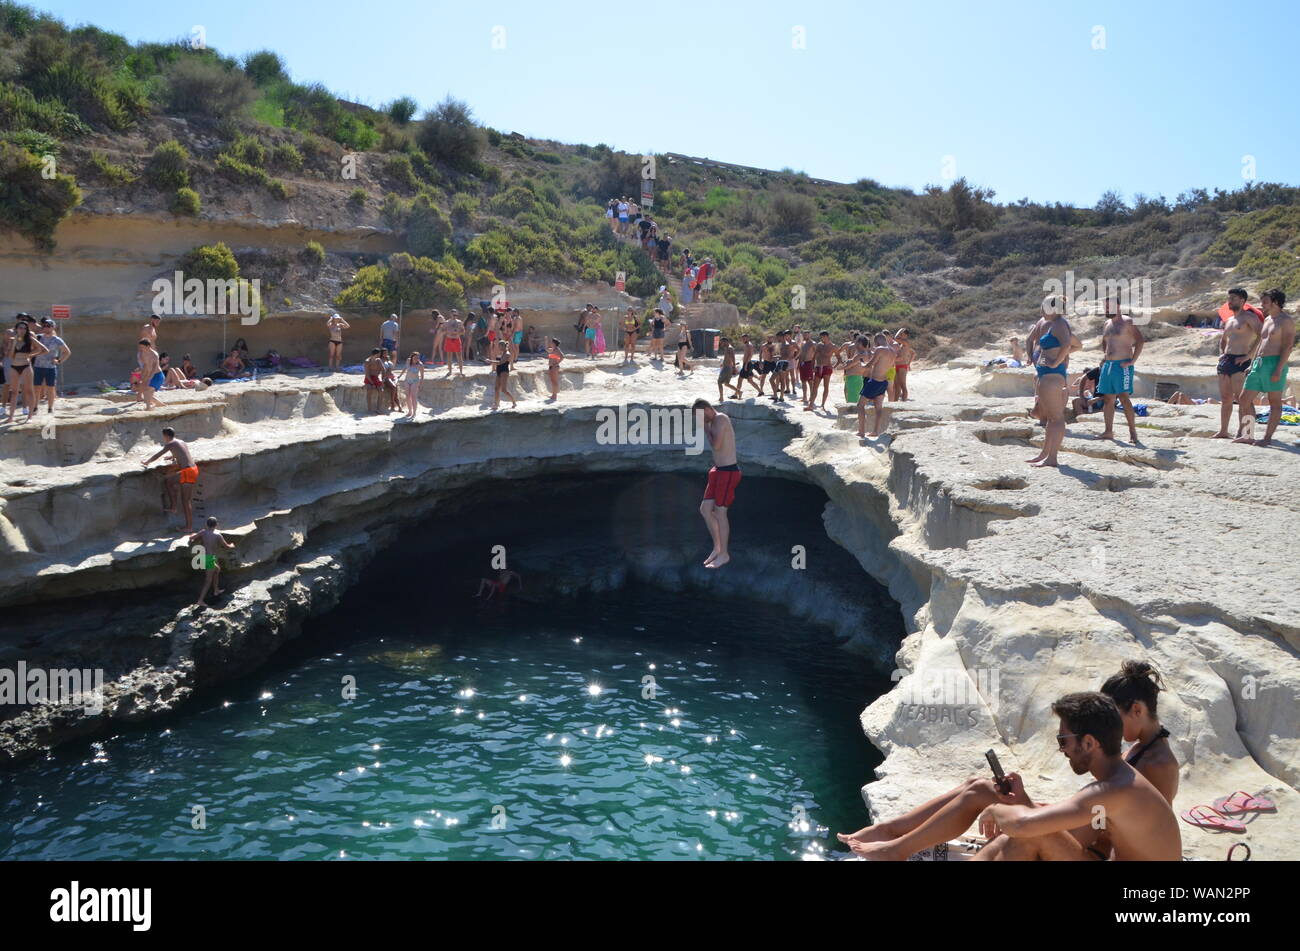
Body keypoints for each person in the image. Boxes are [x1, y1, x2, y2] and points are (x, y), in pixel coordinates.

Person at [839, 679, 1180, 862]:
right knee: (1002, 810)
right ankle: (894, 838)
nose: (1061, 750)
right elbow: (1086, 822)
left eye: (1064, 740)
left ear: (1089, 743)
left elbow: (1026, 824)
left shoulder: (1115, 788)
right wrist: (1018, 803)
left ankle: (897, 850)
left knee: (1022, 835)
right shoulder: (1117, 778)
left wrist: (998, 810)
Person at [1235, 288, 1295, 447]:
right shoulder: (1268, 319)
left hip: (1275, 363)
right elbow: (1262, 343)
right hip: (1259, 364)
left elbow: (1288, 346)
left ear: (1276, 302)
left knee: (1274, 402)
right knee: (1244, 399)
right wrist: (1252, 362)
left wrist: (1278, 369)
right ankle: (1247, 434)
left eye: (1265, 301)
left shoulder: (1286, 320)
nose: (1262, 304)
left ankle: (1267, 437)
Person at [1025, 296, 1072, 467]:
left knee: (1057, 418)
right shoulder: (1047, 323)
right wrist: (1031, 358)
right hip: (1045, 374)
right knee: (1050, 418)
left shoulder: (1060, 324)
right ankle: (1045, 454)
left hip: (1053, 376)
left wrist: (1056, 362)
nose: (1041, 309)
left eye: (1043, 306)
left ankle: (1052, 458)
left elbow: (1067, 345)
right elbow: (1029, 340)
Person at [694, 399, 740, 570]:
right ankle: (717, 547)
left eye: (700, 415)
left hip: (728, 472)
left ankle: (724, 554)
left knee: (720, 513)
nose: (700, 420)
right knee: (705, 510)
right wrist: (707, 427)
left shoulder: (720, 419)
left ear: (706, 409)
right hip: (717, 471)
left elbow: (717, 445)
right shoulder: (712, 422)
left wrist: (706, 429)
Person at [1097, 299, 1145, 443]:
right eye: (1104, 307)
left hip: (1122, 366)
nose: (1106, 309)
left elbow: (1140, 341)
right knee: (1108, 399)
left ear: (1117, 306)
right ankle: (1108, 431)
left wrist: (1132, 361)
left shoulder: (1127, 321)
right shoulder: (1107, 324)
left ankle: (1133, 433)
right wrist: (1104, 356)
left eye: (1108, 306)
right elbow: (1105, 342)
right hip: (1108, 365)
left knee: (1124, 398)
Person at [142, 426, 199, 532]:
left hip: (188, 472)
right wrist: (173, 457)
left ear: (166, 436)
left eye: (163, 436)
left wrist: (147, 462)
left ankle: (189, 527)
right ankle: (173, 507)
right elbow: (182, 453)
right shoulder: (180, 441)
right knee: (169, 481)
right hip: (192, 469)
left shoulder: (170, 443)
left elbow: (158, 455)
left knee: (186, 501)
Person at [4, 319, 48, 423]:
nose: (22, 330)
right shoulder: (12, 339)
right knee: (14, 392)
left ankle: (30, 417)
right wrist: (14, 342)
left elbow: (44, 349)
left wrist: (31, 355)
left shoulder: (30, 338)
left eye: (24, 328)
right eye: (20, 328)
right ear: (16, 329)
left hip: (26, 366)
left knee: (29, 391)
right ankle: (10, 417)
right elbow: (10, 356)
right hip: (14, 366)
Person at [189, 516, 236, 606]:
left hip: (207, 557)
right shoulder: (217, 535)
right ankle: (200, 600)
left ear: (207, 524)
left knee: (217, 570)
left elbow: (192, 538)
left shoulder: (203, 532)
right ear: (216, 525)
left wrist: (191, 536)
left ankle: (216, 590)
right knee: (208, 580)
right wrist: (232, 545)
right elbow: (226, 546)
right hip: (209, 559)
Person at [857, 332, 895, 438]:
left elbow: (869, 365)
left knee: (860, 405)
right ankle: (875, 431)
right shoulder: (893, 351)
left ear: (877, 341)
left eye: (875, 343)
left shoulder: (880, 349)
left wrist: (862, 364)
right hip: (883, 382)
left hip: (874, 381)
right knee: (878, 408)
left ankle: (861, 431)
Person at [33, 319, 69, 415]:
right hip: (38, 366)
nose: (46, 327)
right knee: (36, 387)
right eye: (44, 325)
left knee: (50, 388)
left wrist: (59, 361)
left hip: (50, 367)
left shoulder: (57, 340)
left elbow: (67, 352)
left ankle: (50, 408)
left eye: (48, 326)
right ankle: (35, 407)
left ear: (53, 327)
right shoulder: (38, 337)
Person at [804, 331, 835, 412]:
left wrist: (833, 367)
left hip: (827, 368)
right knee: (815, 387)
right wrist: (813, 367)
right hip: (818, 367)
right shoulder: (819, 345)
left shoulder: (833, 346)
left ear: (826, 336)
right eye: (820, 337)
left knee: (826, 387)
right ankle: (811, 405)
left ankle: (822, 405)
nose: (821, 339)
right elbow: (814, 357)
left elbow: (839, 358)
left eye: (822, 337)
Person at [488, 336, 517, 410]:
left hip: (504, 371)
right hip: (499, 371)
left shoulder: (507, 353)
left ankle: (514, 401)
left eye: (500, 346)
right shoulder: (501, 353)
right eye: (499, 346)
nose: (499, 347)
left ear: (504, 346)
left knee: (504, 389)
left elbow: (501, 362)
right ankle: (496, 404)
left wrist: (490, 361)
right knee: (496, 388)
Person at [137, 338, 166, 410]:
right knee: (146, 392)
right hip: (150, 374)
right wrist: (142, 376)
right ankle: (161, 405)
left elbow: (154, 368)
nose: (140, 348)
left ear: (148, 346)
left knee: (147, 391)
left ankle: (148, 408)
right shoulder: (143, 354)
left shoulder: (154, 354)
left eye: (142, 347)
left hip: (158, 375)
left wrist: (149, 378)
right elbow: (145, 366)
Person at [435, 312, 466, 378]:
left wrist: (458, 333)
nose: (455, 316)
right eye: (453, 315)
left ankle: (461, 371)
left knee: (459, 356)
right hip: (449, 339)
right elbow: (442, 330)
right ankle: (450, 371)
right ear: (450, 315)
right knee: (449, 356)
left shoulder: (459, 322)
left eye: (456, 315)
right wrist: (447, 332)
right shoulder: (446, 322)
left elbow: (463, 331)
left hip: (457, 339)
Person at [893, 328, 916, 400]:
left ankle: (904, 402)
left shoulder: (906, 343)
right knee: (896, 386)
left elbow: (895, 338)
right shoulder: (902, 344)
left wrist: (900, 330)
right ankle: (895, 403)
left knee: (903, 385)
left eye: (901, 334)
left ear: (905, 335)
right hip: (897, 365)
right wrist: (909, 363)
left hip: (902, 366)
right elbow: (913, 353)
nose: (900, 335)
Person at [717, 336, 742, 400]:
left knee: (719, 382)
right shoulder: (727, 348)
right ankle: (739, 392)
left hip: (727, 368)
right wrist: (723, 364)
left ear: (726, 342)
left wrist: (734, 367)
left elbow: (733, 358)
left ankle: (721, 397)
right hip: (727, 367)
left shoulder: (730, 348)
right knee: (726, 383)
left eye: (722, 343)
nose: (721, 344)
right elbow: (728, 358)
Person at [400, 352, 424, 419]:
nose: (417, 359)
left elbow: (422, 376)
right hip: (407, 380)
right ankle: (410, 411)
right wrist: (400, 375)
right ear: (412, 357)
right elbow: (405, 368)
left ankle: (414, 412)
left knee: (413, 397)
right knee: (407, 396)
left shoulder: (420, 365)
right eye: (415, 357)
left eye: (418, 357)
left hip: (415, 381)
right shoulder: (408, 360)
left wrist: (420, 385)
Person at [363, 348, 384, 414]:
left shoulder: (378, 360)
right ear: (377, 354)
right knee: (369, 390)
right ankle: (369, 409)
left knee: (381, 391)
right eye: (379, 353)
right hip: (369, 378)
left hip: (376, 378)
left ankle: (378, 408)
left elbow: (383, 370)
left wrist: (383, 379)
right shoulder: (367, 361)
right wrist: (372, 383)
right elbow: (367, 374)